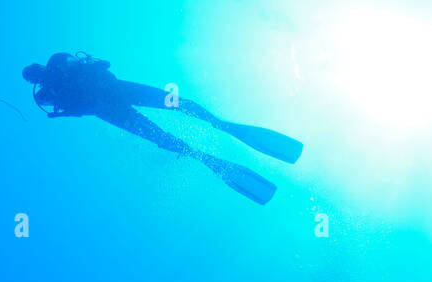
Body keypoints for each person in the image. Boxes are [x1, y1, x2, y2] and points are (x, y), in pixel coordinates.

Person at [22, 53, 303, 204]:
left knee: (176, 106)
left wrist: (73, 74)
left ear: (37, 65)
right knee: (163, 132)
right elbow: (70, 109)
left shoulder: (57, 63)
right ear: (33, 77)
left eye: (34, 70)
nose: (37, 73)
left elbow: (100, 66)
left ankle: (218, 127)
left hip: (113, 95)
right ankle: (205, 149)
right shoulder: (45, 93)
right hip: (109, 105)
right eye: (33, 75)